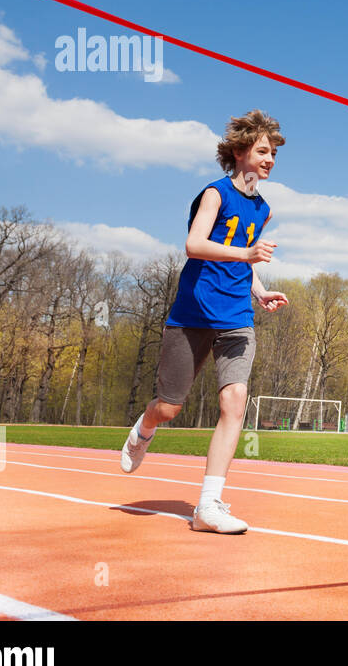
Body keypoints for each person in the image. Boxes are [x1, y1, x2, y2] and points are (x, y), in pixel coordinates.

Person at [119, 110, 290, 534]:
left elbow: (244, 257)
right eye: (263, 151)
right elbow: (195, 244)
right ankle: (145, 427)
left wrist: (260, 289)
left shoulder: (263, 208)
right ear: (239, 152)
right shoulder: (215, 194)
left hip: (236, 316)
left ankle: (207, 506)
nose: (270, 160)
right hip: (193, 315)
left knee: (234, 404)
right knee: (170, 407)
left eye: (273, 154)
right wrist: (248, 255)